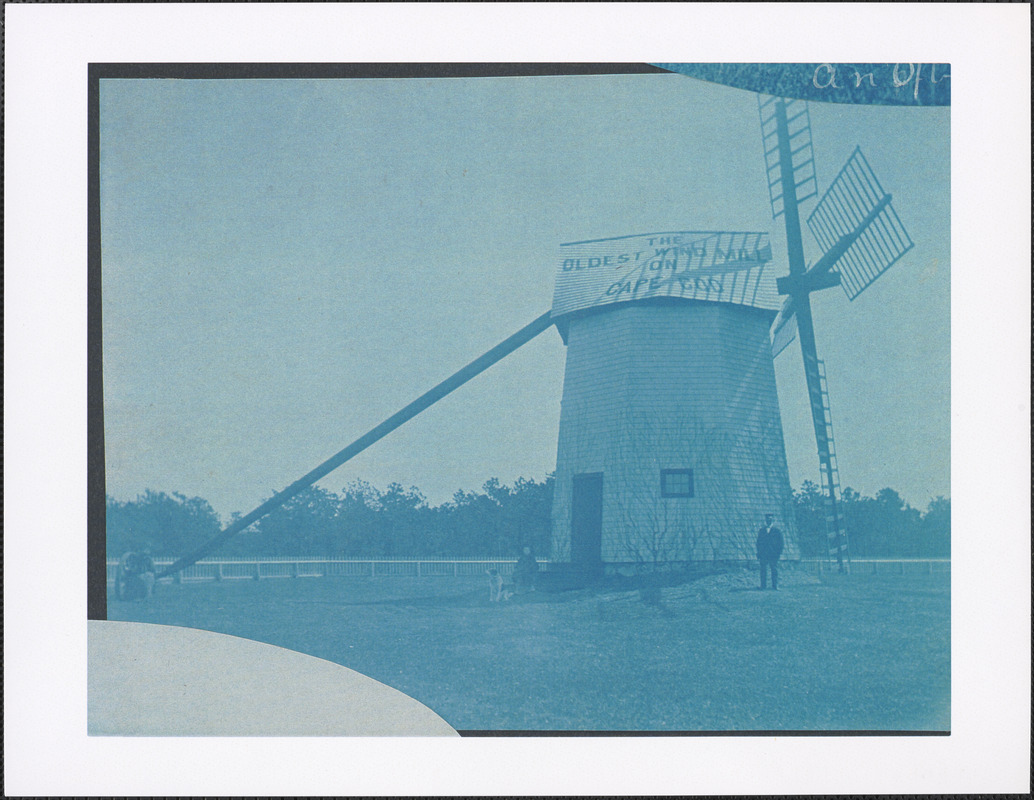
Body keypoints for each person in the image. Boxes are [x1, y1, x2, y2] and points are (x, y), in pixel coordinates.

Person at [756, 514, 784, 590]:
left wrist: (778, 553)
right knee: (763, 570)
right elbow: (758, 543)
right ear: (765, 520)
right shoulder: (761, 531)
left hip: (773, 554)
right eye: (767, 519)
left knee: (774, 570)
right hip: (764, 554)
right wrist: (759, 553)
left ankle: (775, 586)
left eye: (770, 519)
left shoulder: (777, 531)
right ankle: (763, 586)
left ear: (773, 521)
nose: (769, 521)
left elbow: (781, 543)